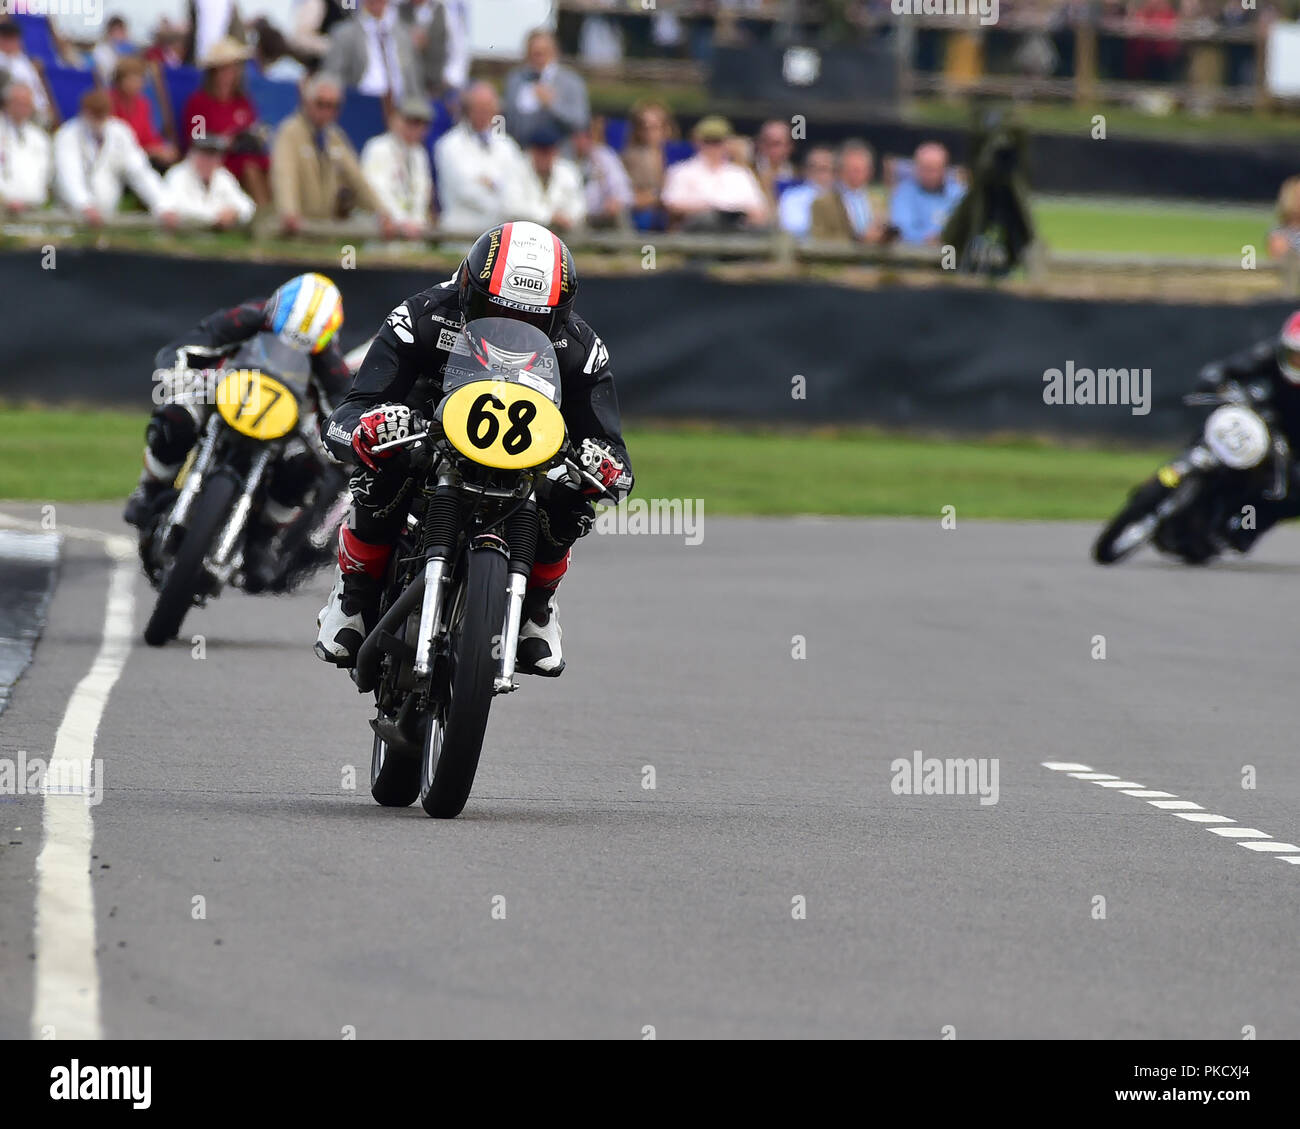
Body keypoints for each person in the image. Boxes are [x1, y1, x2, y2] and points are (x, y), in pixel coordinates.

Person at [314, 220, 633, 675]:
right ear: (467, 287)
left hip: (528, 458)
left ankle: (538, 610)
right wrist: (370, 427)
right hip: (429, 437)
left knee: (574, 491)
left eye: (532, 321)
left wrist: (600, 466)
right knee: (382, 463)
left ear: (559, 315)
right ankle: (354, 594)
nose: (512, 329)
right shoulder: (421, 316)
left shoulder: (582, 350)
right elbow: (348, 414)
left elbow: (613, 451)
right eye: (495, 310)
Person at [124, 273, 351, 587]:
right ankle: (149, 488)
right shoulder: (247, 317)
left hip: (283, 426)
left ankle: (264, 538)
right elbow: (189, 344)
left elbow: (345, 410)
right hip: (222, 396)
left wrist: (341, 440)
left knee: (307, 466)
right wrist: (177, 372)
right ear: (272, 313)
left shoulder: (330, 361)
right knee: (175, 418)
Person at [1189, 311, 1300, 552]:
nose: (1296, 362)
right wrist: (1217, 380)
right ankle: (1185, 466)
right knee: (1218, 421)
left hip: (1289, 446)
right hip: (1255, 421)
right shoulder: (1269, 354)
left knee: (1290, 493)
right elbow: (1229, 368)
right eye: (1294, 355)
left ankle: (1244, 529)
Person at [271, 72, 398, 236]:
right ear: (307, 102)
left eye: (333, 106)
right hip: (296, 227)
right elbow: (285, 175)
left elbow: (357, 179)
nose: (326, 111)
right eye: (321, 104)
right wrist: (289, 212)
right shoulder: (290, 132)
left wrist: (382, 213)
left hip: (324, 227)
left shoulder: (334, 137)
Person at [53, 89, 177, 228]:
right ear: (84, 112)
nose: (99, 119)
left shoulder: (120, 132)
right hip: (70, 218)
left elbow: (139, 171)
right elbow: (68, 175)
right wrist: (84, 205)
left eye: (103, 114)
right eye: (95, 114)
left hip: (107, 217)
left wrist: (163, 205)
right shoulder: (67, 135)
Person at [182, 37, 271, 207]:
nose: (230, 73)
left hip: (247, 156)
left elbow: (253, 129)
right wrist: (224, 141)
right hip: (217, 160)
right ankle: (263, 214)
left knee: (270, 165)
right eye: (224, 68)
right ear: (214, 72)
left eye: (233, 68)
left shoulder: (243, 102)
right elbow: (196, 140)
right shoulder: (199, 103)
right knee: (250, 168)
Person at [432, 81, 525, 232]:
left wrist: (492, 184)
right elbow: (465, 190)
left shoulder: (507, 145)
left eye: (489, 108)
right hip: (459, 234)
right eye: (479, 108)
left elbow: (517, 185)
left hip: (499, 234)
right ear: (467, 110)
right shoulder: (449, 145)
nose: (484, 113)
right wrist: (501, 197)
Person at [660, 115, 769, 232]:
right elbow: (671, 205)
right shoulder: (682, 171)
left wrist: (739, 213)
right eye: (708, 141)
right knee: (709, 219)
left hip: (737, 229)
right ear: (697, 141)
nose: (714, 147)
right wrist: (708, 208)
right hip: (697, 229)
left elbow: (759, 209)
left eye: (718, 141)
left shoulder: (741, 174)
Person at [322, 0, 421, 105]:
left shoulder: (403, 34)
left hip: (401, 106)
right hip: (361, 103)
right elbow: (332, 77)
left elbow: (414, 80)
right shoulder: (345, 33)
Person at [360, 97, 433, 236]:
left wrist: (417, 222)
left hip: (414, 233)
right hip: (384, 232)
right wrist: (402, 221)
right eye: (409, 122)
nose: (414, 128)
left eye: (420, 124)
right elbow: (377, 190)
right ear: (395, 119)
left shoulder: (419, 154)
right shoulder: (378, 147)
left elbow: (422, 192)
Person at [503, 28, 589, 145]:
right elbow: (506, 119)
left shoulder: (572, 82)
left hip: (559, 156)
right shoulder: (515, 80)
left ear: (555, 52)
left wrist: (552, 104)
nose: (539, 59)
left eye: (543, 53)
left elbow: (580, 122)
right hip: (521, 153)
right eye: (534, 54)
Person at [161, 133, 256, 228]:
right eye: (203, 155)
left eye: (212, 156)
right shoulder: (177, 174)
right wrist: (216, 217)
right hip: (186, 234)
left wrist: (235, 212)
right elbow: (172, 209)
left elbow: (247, 205)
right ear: (192, 155)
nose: (207, 161)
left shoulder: (223, 176)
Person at [888, 142, 965, 245]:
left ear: (945, 169)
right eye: (926, 168)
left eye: (935, 169)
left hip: (951, 255)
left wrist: (944, 238)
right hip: (914, 256)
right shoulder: (903, 193)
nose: (931, 175)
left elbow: (965, 228)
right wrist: (925, 239)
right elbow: (901, 230)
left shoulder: (959, 194)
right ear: (916, 168)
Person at [110, 57, 179, 170]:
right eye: (132, 79)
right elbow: (117, 140)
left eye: (139, 79)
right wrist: (151, 151)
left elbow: (149, 135)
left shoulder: (144, 104)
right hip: (121, 157)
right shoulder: (110, 102)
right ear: (119, 81)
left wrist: (161, 148)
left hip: (143, 154)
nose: (137, 83)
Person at [514, 126, 586, 232]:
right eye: (540, 152)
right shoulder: (517, 170)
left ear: (555, 152)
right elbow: (512, 207)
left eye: (548, 152)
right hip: (523, 234)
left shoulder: (568, 172)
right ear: (532, 151)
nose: (544, 157)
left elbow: (579, 205)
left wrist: (568, 217)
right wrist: (549, 217)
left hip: (562, 234)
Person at [811, 140, 882, 244]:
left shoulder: (879, 200)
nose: (857, 175)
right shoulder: (823, 203)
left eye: (861, 169)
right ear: (841, 170)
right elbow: (821, 239)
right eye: (853, 169)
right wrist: (861, 240)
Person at [621, 100, 673, 232]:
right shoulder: (631, 157)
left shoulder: (675, 154)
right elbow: (630, 199)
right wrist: (659, 197)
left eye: (656, 127)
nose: (650, 133)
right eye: (645, 127)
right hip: (644, 217)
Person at [572, 116, 631, 230]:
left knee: (621, 215)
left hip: (603, 214)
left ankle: (627, 247)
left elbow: (624, 191)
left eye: (587, 137)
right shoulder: (564, 160)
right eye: (578, 137)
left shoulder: (605, 157)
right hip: (576, 217)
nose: (582, 141)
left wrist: (615, 201)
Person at [0, 81, 51, 213]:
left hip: (32, 210)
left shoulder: (40, 137)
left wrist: (36, 198)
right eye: (18, 103)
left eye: (27, 104)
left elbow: (44, 174)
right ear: (7, 104)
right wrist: (5, 199)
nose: (23, 108)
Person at [0, 19, 50, 127]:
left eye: (14, 39)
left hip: (33, 110)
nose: (11, 43)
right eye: (7, 38)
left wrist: (44, 107)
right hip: (8, 110)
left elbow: (38, 89)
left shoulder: (25, 62)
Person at [778, 145, 833, 239]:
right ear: (807, 170)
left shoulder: (841, 196)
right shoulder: (793, 197)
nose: (822, 175)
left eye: (827, 169)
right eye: (818, 169)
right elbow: (792, 228)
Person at [93, 14, 135, 86]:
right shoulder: (102, 49)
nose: (119, 34)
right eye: (116, 30)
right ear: (109, 32)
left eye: (122, 30)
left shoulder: (130, 48)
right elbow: (105, 73)